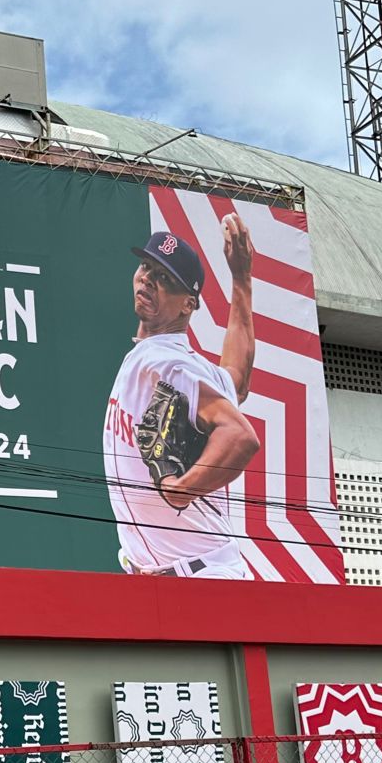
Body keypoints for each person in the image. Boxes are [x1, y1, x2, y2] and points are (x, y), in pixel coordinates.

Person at [102, 217, 258, 578]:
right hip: (172, 576)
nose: (148, 279)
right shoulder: (179, 361)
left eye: (165, 279)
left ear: (188, 304)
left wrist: (181, 490)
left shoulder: (166, 362)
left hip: (198, 581)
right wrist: (241, 281)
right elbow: (237, 379)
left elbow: (239, 436)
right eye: (146, 267)